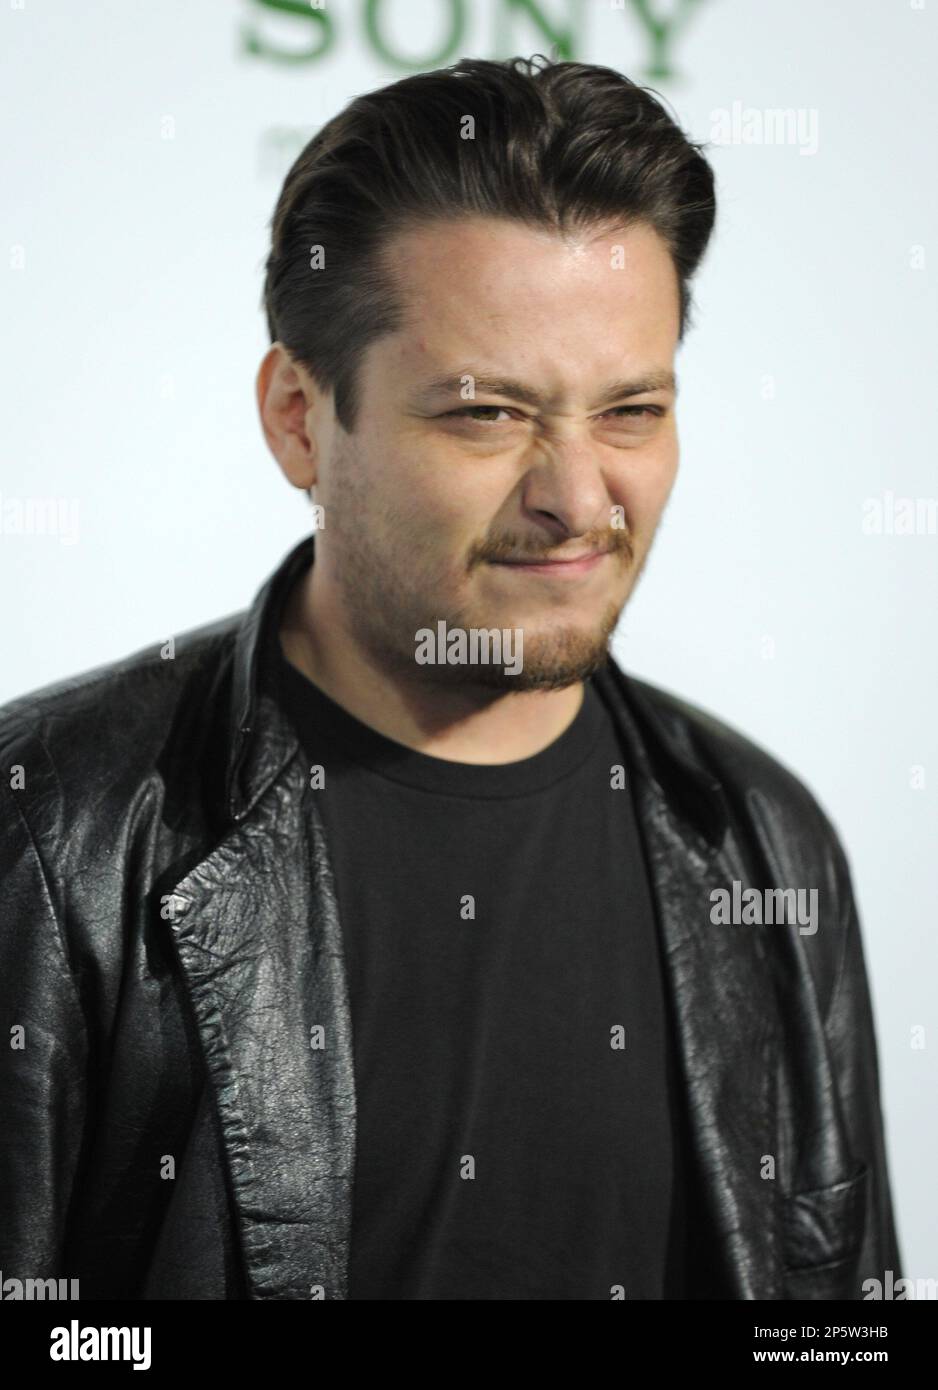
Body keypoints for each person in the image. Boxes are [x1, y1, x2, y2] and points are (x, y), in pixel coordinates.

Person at [0, 55, 900, 1300]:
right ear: (300, 420)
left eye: (630, 409)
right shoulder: (54, 836)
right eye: (486, 415)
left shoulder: (762, 847)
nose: (578, 498)